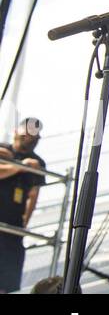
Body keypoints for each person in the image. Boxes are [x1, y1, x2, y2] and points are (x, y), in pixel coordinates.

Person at [0, 117, 46, 294]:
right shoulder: (3, 149)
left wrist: (25, 222)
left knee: (8, 280)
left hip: (13, 226)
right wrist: (20, 167)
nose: (29, 137)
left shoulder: (37, 162)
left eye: (34, 134)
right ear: (17, 131)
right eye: (26, 132)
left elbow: (33, 195)